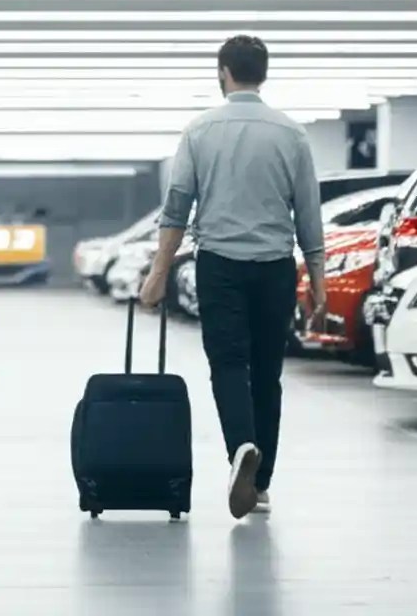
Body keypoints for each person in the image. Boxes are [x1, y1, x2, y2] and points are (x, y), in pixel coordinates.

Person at [139, 35, 327, 519]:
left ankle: (241, 447)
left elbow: (176, 208)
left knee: (227, 364)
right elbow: (308, 215)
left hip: (219, 264)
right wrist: (320, 283)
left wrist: (159, 273)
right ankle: (260, 483)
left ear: (223, 71)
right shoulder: (291, 134)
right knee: (268, 373)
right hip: (275, 267)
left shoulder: (200, 131)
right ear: (263, 74)